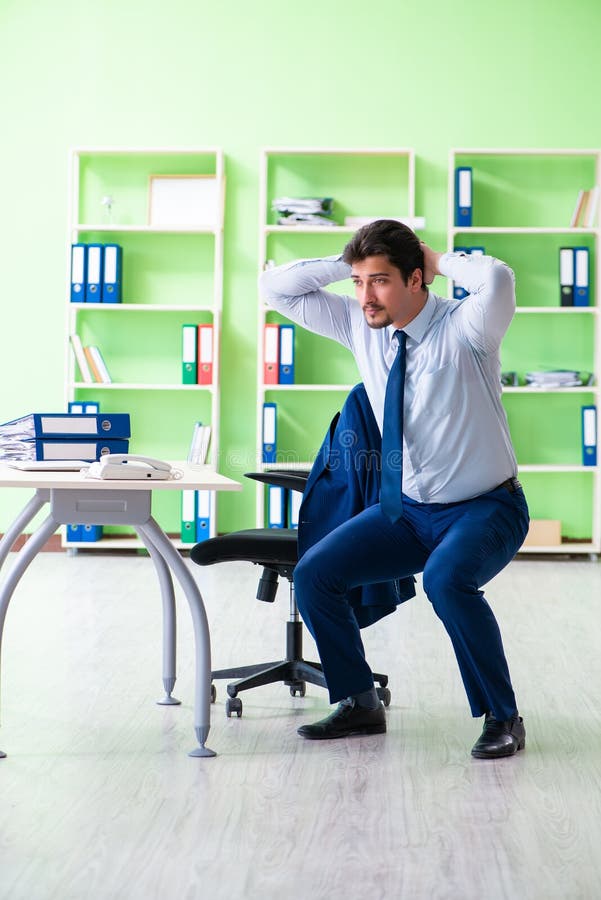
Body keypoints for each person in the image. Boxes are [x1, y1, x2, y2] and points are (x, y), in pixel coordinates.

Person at [259, 220, 529, 759]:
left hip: (485, 508)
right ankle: (360, 702)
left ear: (416, 279)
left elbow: (497, 279)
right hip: (405, 512)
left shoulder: (467, 326)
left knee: (447, 581)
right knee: (315, 572)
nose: (365, 296)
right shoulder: (362, 324)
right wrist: (352, 263)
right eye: (358, 283)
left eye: (379, 281)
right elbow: (274, 288)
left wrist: (435, 255)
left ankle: (503, 717)